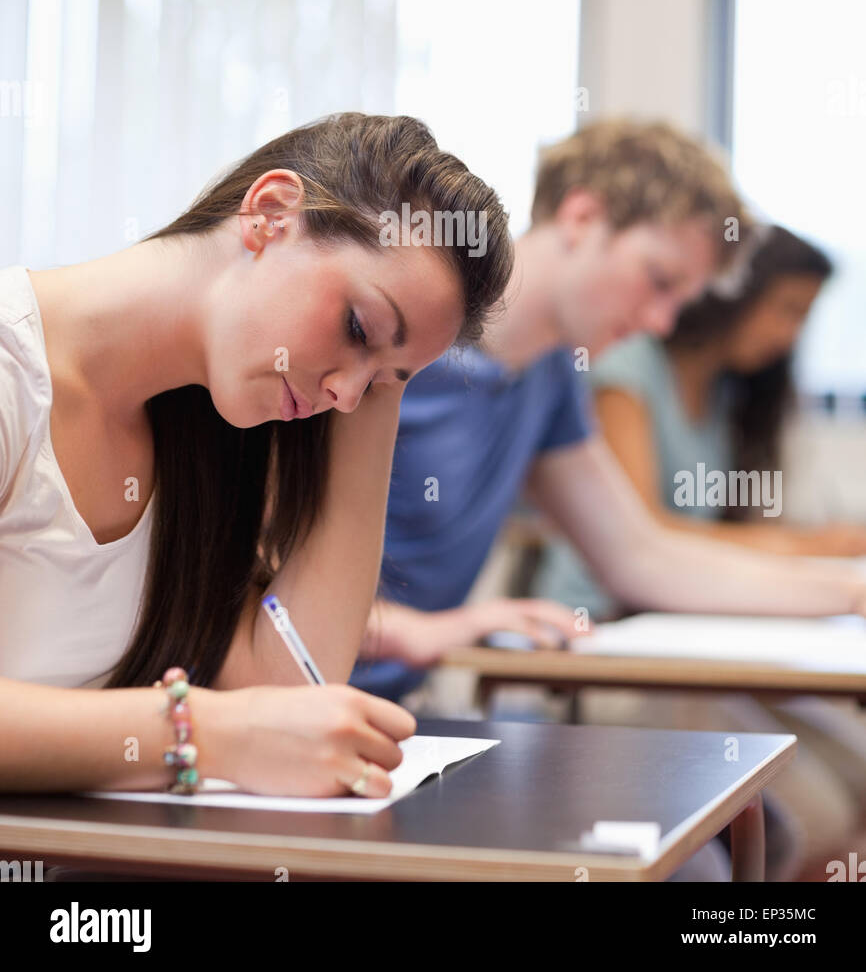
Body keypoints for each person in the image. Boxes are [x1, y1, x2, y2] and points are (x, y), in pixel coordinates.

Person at [348, 121, 866, 880]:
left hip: (403, 719)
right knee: (703, 862)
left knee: (755, 829)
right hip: (327, 706)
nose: (662, 322)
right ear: (582, 218)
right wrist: (423, 628)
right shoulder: (397, 341)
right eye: (659, 282)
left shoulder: (551, 374)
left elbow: (640, 554)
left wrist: (849, 587)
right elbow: (263, 592)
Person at [0, 111, 513, 802]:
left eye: (383, 380)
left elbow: (292, 688)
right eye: (356, 327)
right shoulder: (14, 373)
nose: (344, 392)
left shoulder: (209, 429)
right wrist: (205, 732)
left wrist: (387, 374)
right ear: (270, 215)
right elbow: (251, 725)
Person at [532, 221, 866, 877]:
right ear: (732, 294)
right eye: (786, 310)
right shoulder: (625, 371)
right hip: (612, 635)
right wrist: (815, 550)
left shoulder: (725, 394)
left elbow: (713, 536)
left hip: (700, 632)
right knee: (813, 811)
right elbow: (648, 534)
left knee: (853, 776)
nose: (789, 336)